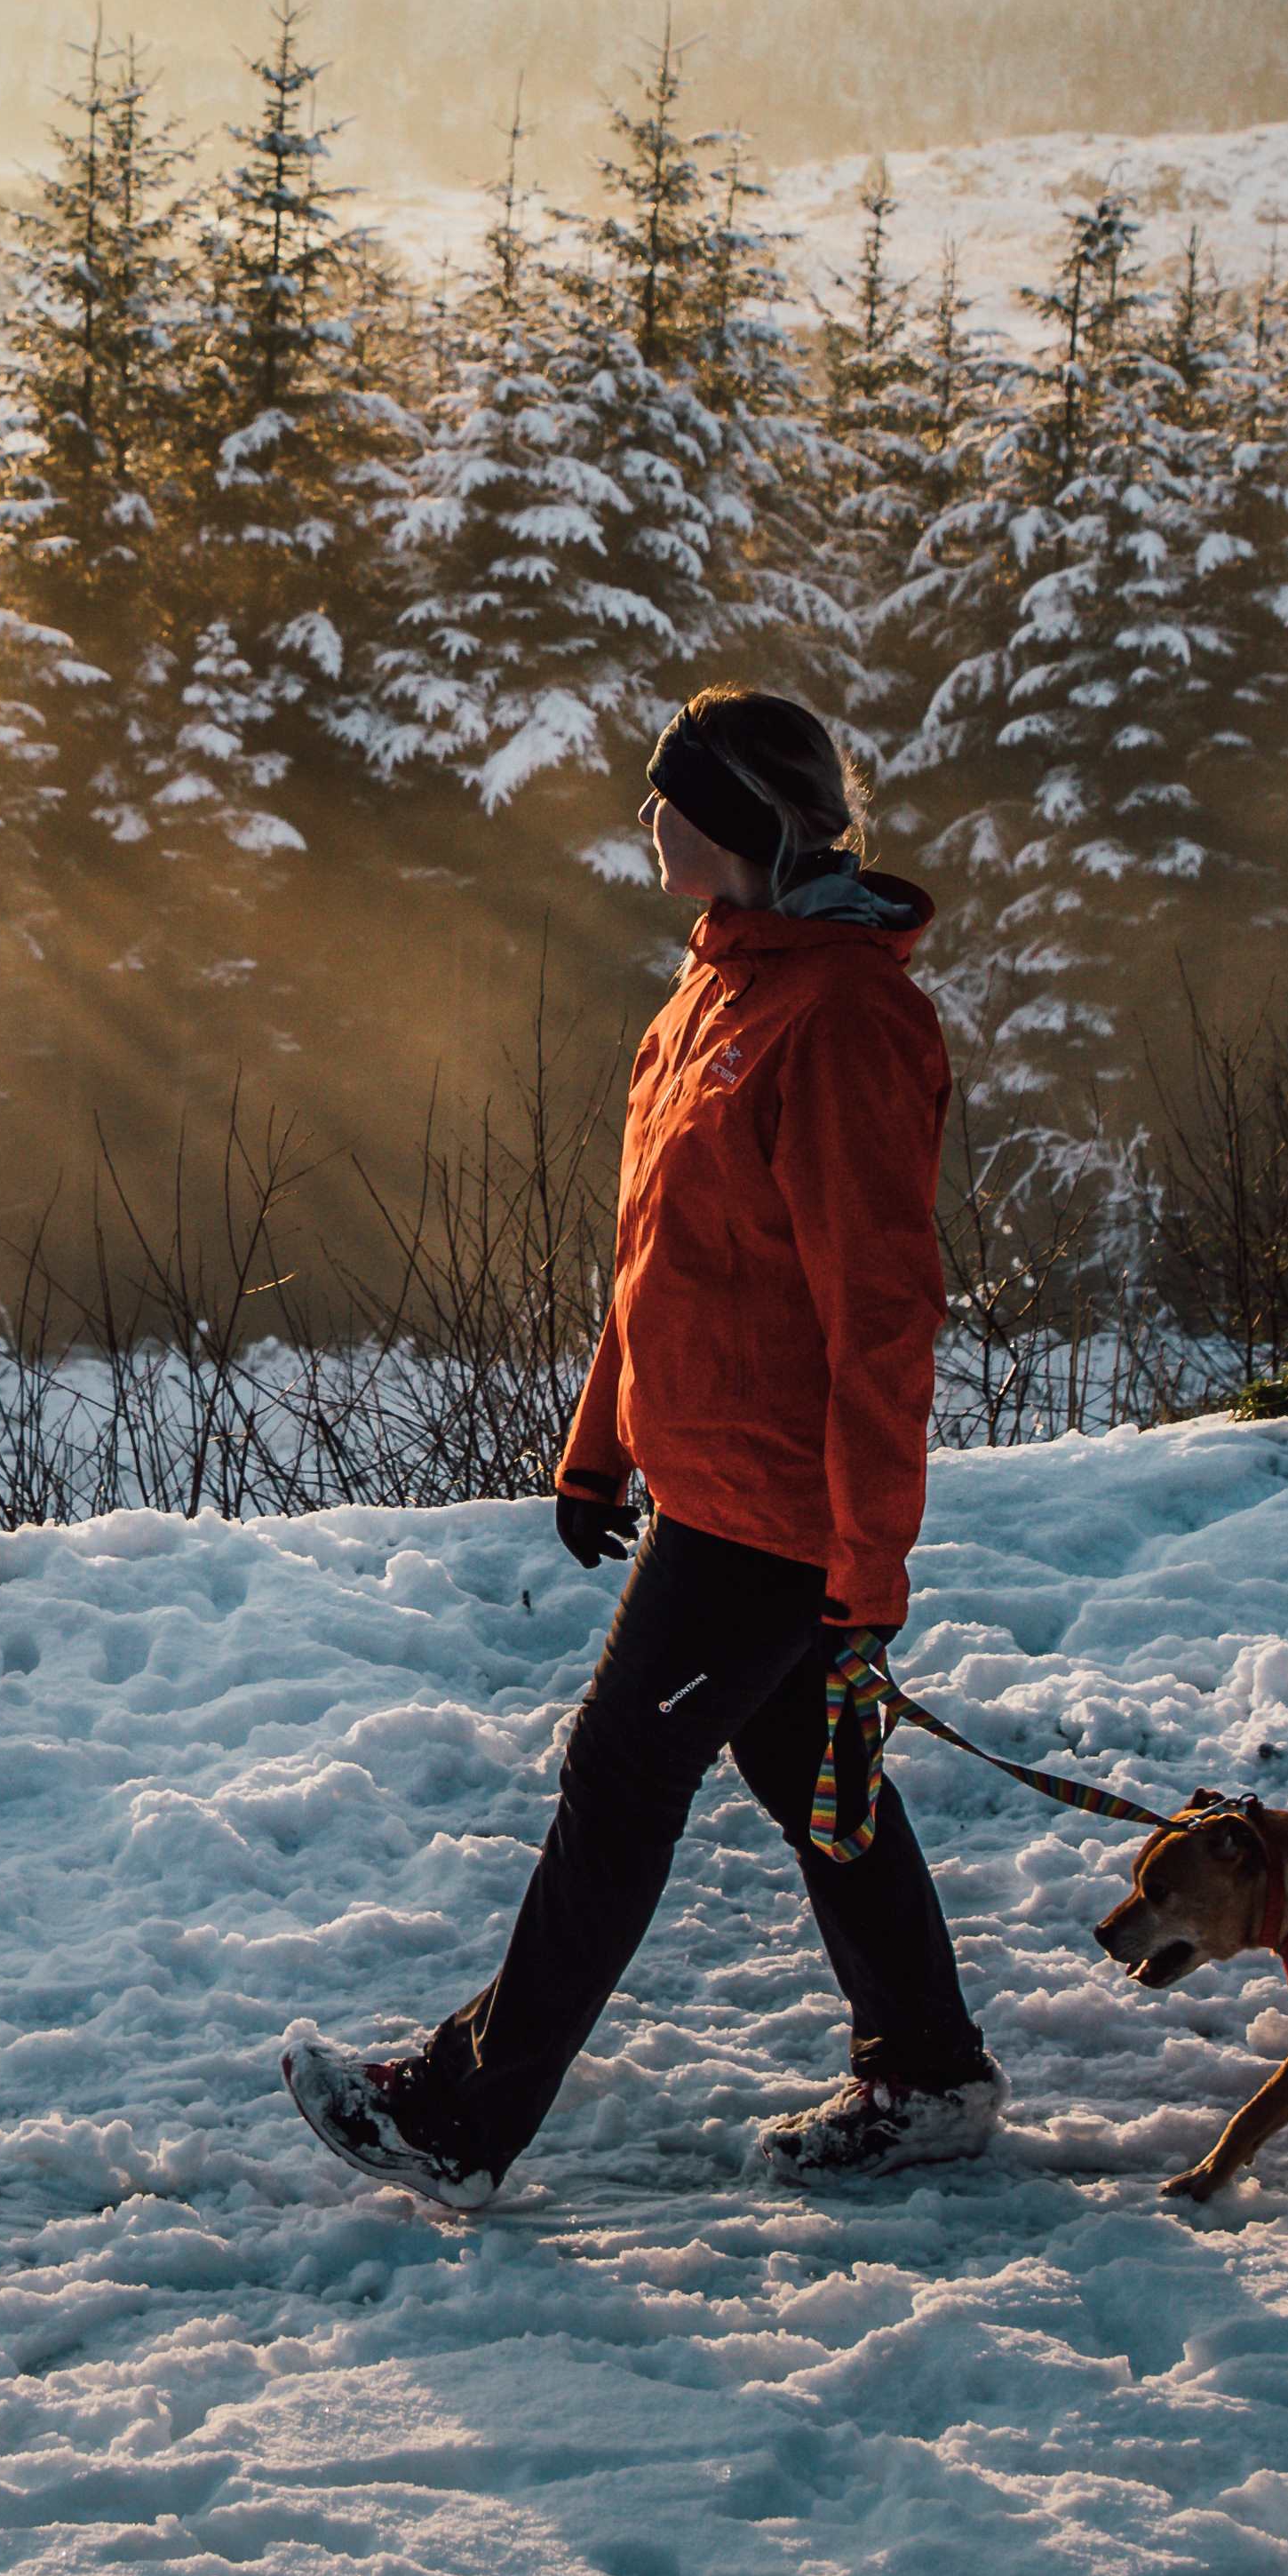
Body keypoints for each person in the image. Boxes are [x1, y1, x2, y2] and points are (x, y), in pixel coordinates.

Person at [284, 682, 1006, 2202]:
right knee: (821, 1780)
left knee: (616, 1780)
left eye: (669, 797)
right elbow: (658, 1258)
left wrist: (870, 1558)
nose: (646, 820)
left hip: (775, 1508)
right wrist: (598, 1443)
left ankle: (462, 2121)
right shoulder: (710, 998)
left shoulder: (846, 1015)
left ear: (740, 819)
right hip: (707, 1479)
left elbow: (882, 1311)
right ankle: (929, 2071)